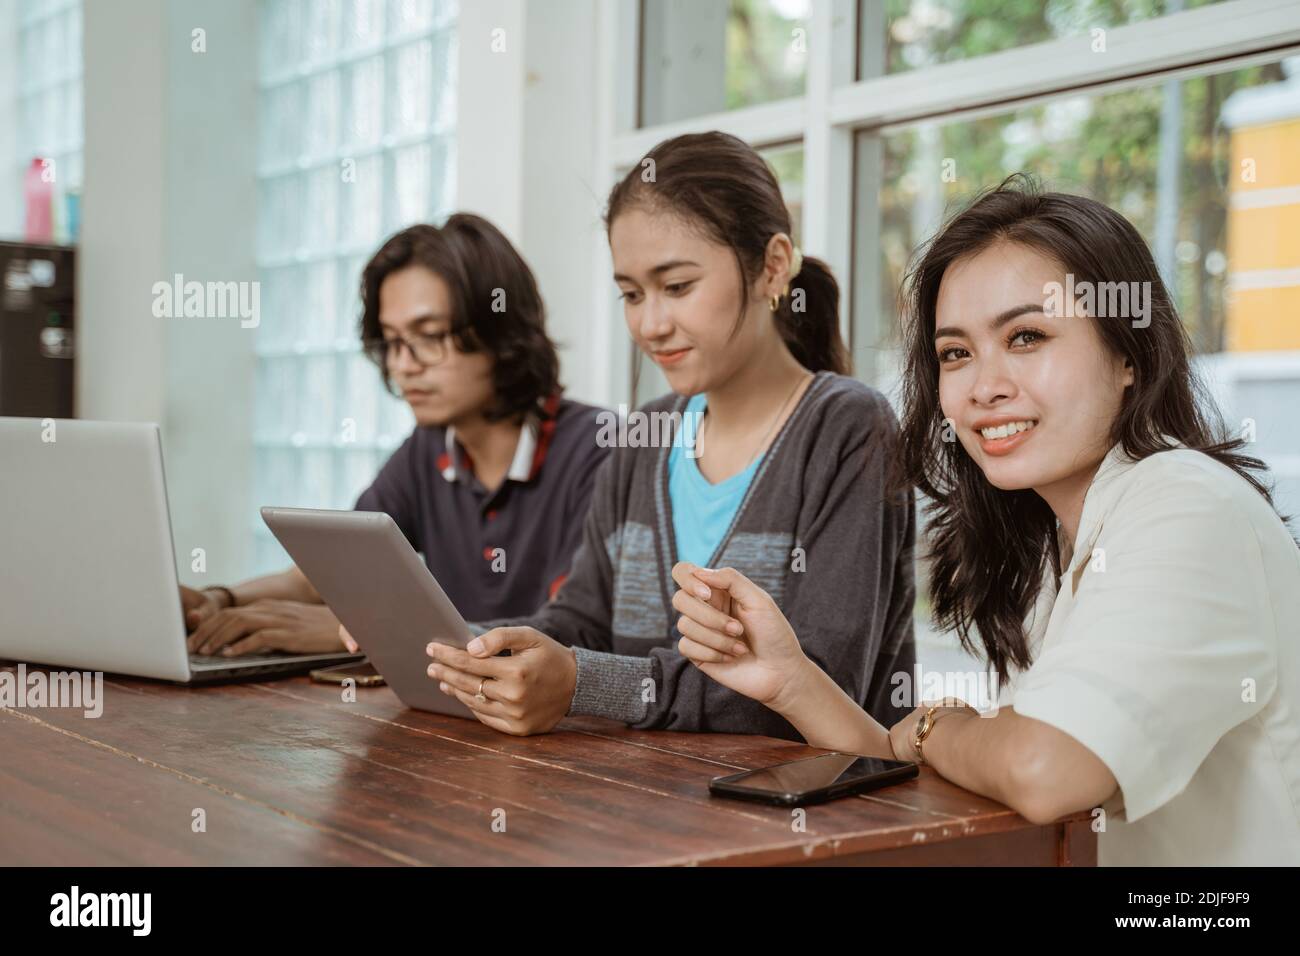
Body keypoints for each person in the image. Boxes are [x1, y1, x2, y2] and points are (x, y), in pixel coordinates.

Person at [670, 177, 1300, 865]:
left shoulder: (1186, 507)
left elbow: (1045, 768)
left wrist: (939, 724)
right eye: (956, 353)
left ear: (1128, 353)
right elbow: (905, 757)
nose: (983, 385)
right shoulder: (1053, 544)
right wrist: (791, 678)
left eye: (1026, 336)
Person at [419, 132, 916, 740]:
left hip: (806, 822)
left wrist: (583, 683)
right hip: (645, 815)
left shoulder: (847, 428)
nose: (650, 324)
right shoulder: (643, 439)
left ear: (773, 266)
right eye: (631, 294)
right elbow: (580, 622)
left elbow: (818, 683)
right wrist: (453, 647)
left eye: (677, 287)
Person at [184, 215, 609, 657]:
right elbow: (335, 573)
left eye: (428, 337)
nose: (403, 365)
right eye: (391, 342)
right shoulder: (428, 450)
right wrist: (218, 600)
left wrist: (359, 631)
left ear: (501, 331)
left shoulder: (599, 451)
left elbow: (572, 630)